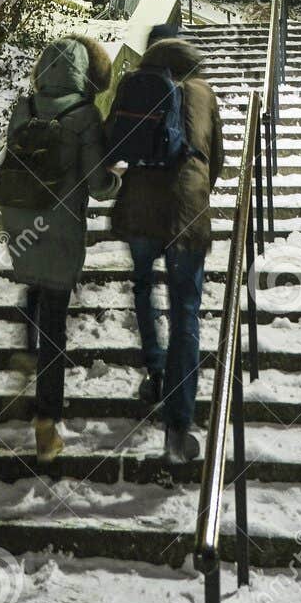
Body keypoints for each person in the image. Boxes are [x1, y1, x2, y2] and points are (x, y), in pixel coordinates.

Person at [0, 35, 118, 464]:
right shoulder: (84, 115)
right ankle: (46, 424)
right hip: (61, 224)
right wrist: (116, 182)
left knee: (32, 284)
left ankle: (27, 350)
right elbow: (99, 183)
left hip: (20, 217)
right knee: (56, 322)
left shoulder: (25, 107)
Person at [110, 35, 224, 464]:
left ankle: (155, 370)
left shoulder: (137, 82)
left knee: (142, 286)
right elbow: (218, 160)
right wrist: (194, 191)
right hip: (186, 210)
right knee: (185, 309)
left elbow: (113, 140)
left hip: (139, 204)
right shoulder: (202, 92)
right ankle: (179, 421)